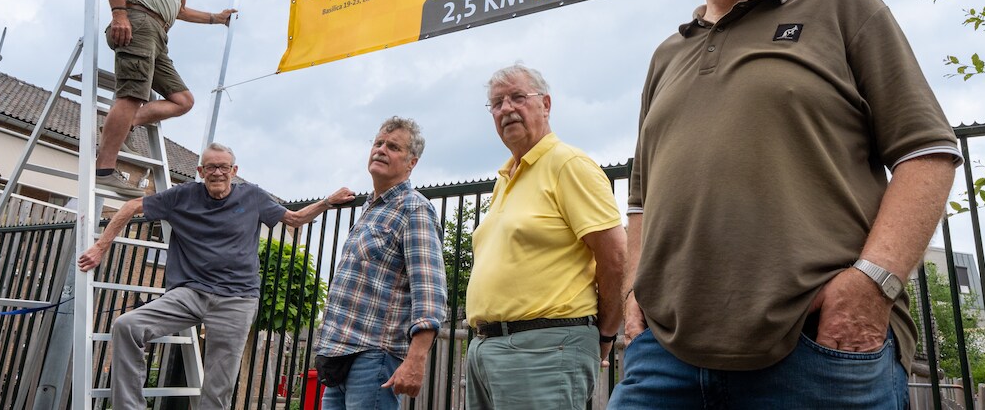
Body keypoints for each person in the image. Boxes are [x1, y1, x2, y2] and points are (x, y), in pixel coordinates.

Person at [609, 0, 962, 409]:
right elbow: (640, 201)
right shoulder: (666, 55)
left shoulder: (841, 6)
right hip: (664, 356)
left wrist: (871, 283)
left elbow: (928, 152)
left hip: (816, 348)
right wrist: (634, 290)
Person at [77, 142, 353, 410]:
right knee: (127, 326)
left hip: (237, 300)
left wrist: (328, 201)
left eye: (223, 167)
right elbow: (130, 207)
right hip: (189, 293)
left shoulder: (252, 196)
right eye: (210, 167)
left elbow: (295, 219)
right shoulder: (183, 195)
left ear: (234, 171)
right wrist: (100, 248)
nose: (217, 173)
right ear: (200, 171)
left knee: (218, 388)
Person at [465, 64, 626, 409]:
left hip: (545, 348)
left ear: (546, 104)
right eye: (497, 103)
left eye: (518, 97)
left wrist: (606, 334)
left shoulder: (568, 164)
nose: (507, 108)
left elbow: (615, 258)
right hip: (486, 348)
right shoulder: (505, 179)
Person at [95, 0, 237, 194]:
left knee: (183, 100)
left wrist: (216, 18)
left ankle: (123, 124)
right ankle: (103, 170)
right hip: (137, 20)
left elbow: (180, 10)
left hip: (160, 34)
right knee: (132, 95)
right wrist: (119, 14)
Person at [315, 117, 448, 410]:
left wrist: (416, 359)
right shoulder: (370, 209)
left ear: (411, 163)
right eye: (378, 143)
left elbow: (430, 293)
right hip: (340, 355)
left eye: (393, 147)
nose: (381, 150)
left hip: (375, 356)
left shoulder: (414, 208)